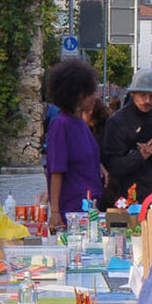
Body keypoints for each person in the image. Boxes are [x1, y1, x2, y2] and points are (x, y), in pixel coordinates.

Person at [97, 71, 152, 208]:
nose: (147, 101)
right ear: (133, 94)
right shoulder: (117, 121)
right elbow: (113, 166)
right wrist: (141, 155)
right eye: (143, 95)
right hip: (131, 196)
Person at [44, 59, 105, 227]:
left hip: (88, 206)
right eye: (89, 93)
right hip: (71, 211)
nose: (94, 97)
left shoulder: (80, 123)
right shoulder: (61, 125)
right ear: (76, 96)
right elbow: (56, 171)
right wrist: (55, 212)